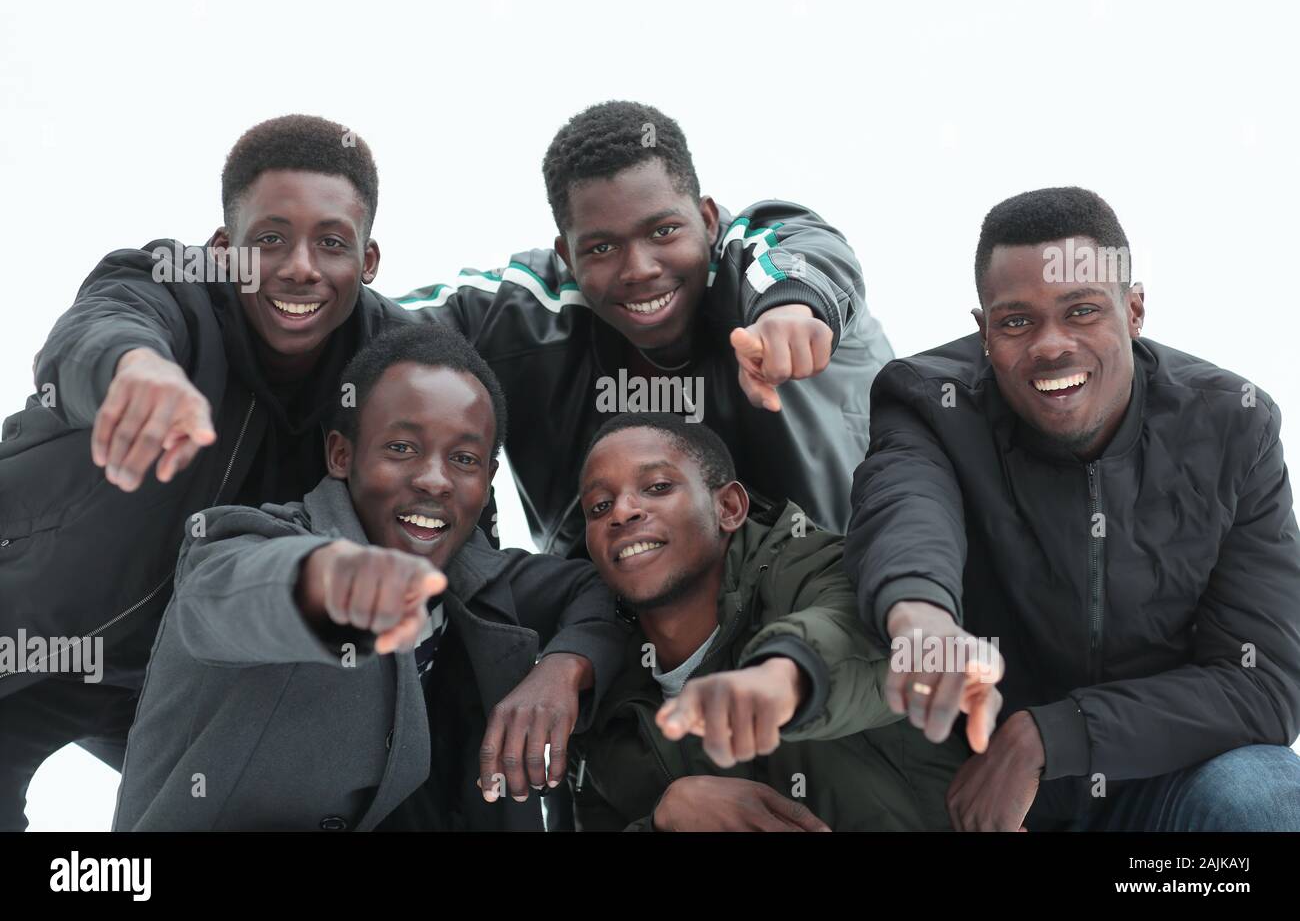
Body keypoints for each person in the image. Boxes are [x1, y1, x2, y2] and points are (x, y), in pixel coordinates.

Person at [0, 114, 449, 830]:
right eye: (268, 239)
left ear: (367, 260)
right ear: (220, 251)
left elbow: (454, 505)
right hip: (32, 624)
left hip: (175, 677)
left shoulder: (397, 367)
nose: (300, 265)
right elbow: (102, 323)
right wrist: (136, 369)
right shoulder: (171, 289)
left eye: (331, 243)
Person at [844, 186, 1300, 831]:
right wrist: (922, 619)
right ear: (983, 332)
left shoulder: (1234, 425)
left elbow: (1265, 685)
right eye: (1015, 321)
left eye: (1082, 311)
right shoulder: (930, 403)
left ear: (1134, 310)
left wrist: (1052, 735)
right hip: (969, 778)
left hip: (1161, 775)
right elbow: (905, 506)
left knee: (1267, 799)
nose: (1051, 345)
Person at [114, 323, 627, 830]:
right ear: (342, 455)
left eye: (464, 459)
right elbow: (225, 597)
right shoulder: (247, 544)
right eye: (401, 448)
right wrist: (327, 584)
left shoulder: (473, 570)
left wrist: (563, 669)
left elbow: (595, 590)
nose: (434, 479)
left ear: (488, 479)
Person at [399, 100, 894, 558]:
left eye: (663, 232)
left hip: (838, 583)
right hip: (617, 625)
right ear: (567, 256)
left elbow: (797, 252)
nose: (639, 268)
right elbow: (372, 328)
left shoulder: (758, 262)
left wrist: (790, 309)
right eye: (602, 248)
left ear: (707, 220)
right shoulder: (523, 311)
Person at [567, 413, 972, 831]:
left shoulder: (822, 567)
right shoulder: (599, 705)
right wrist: (663, 820)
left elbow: (852, 633)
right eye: (599, 506)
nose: (623, 512)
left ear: (728, 507)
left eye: (657, 487)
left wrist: (786, 676)